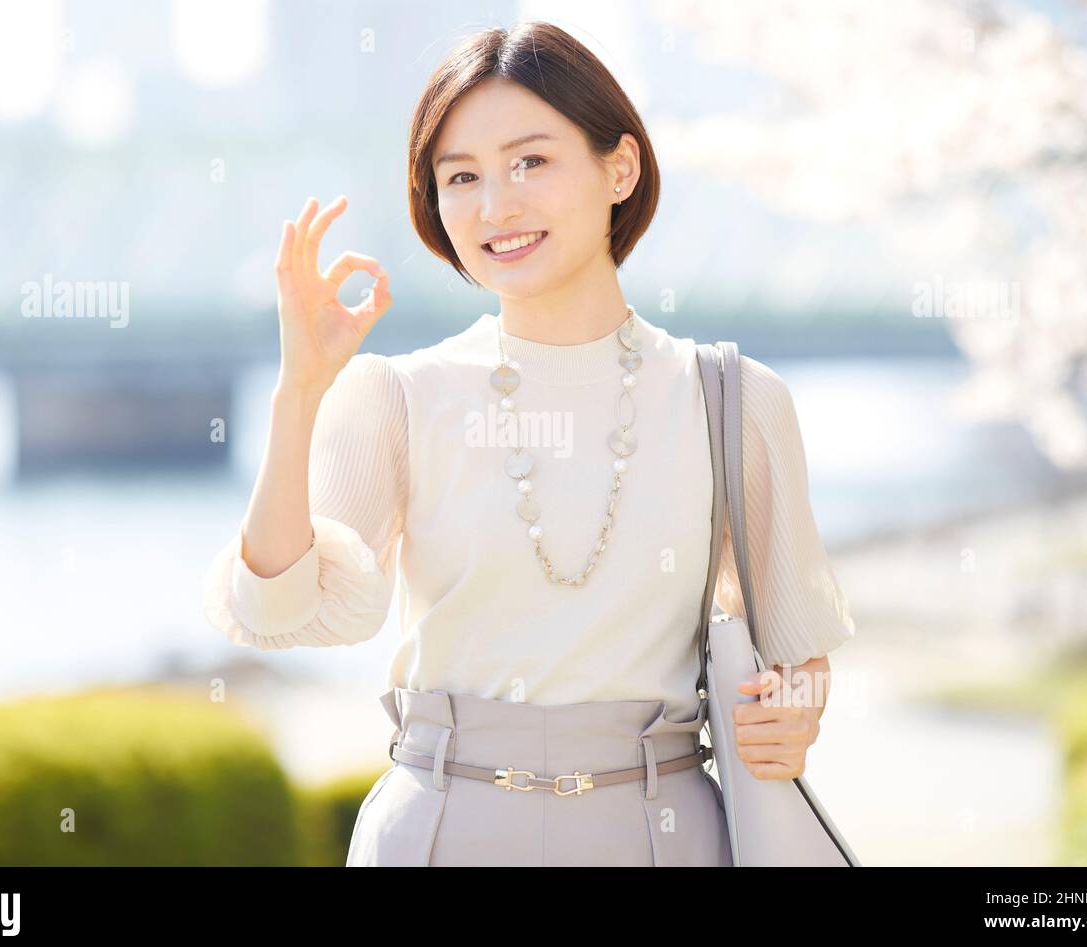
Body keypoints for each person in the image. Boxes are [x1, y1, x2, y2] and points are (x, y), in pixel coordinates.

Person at [201, 20, 855, 866]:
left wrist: (794, 711)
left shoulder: (733, 400)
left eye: (531, 162)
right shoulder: (397, 395)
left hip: (661, 832)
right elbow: (279, 611)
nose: (495, 206)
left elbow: (801, 657)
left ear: (620, 168)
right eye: (460, 177)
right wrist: (299, 393)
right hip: (439, 830)